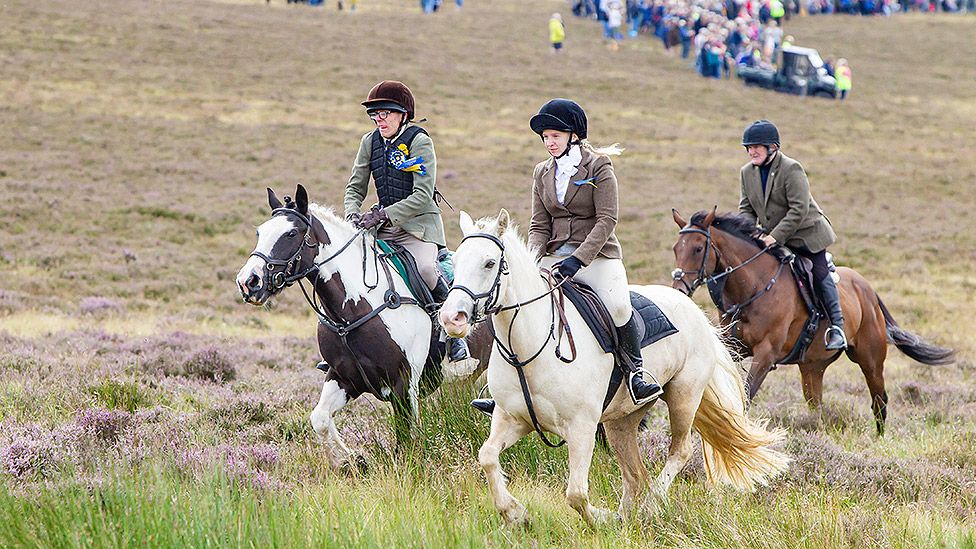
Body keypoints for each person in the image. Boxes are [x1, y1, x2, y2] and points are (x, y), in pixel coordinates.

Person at [471, 99, 664, 417]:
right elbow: (538, 224)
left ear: (573, 135)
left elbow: (607, 220)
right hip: (552, 257)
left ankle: (635, 374)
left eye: (555, 136)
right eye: (545, 137)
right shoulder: (542, 173)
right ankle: (502, 388)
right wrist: (533, 262)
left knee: (618, 306)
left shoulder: (598, 167)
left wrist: (579, 259)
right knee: (513, 302)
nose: (549, 142)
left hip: (598, 257)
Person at [342, 80, 469, 363]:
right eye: (374, 114)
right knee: (357, 272)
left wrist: (385, 214)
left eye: (385, 113)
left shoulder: (419, 141)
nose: (379, 119)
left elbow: (423, 195)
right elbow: (355, 187)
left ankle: (452, 334)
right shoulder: (369, 142)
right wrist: (352, 213)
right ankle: (347, 344)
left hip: (418, 228)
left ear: (403, 114)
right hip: (381, 228)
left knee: (425, 269)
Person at [738, 120, 847, 351]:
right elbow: (746, 209)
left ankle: (837, 326)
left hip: (806, 235)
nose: (751, 151)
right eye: (748, 147)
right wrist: (748, 237)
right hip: (773, 235)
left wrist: (773, 237)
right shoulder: (746, 172)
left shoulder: (791, 168)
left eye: (757, 146)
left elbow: (799, 209)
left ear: (773, 147)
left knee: (817, 272)